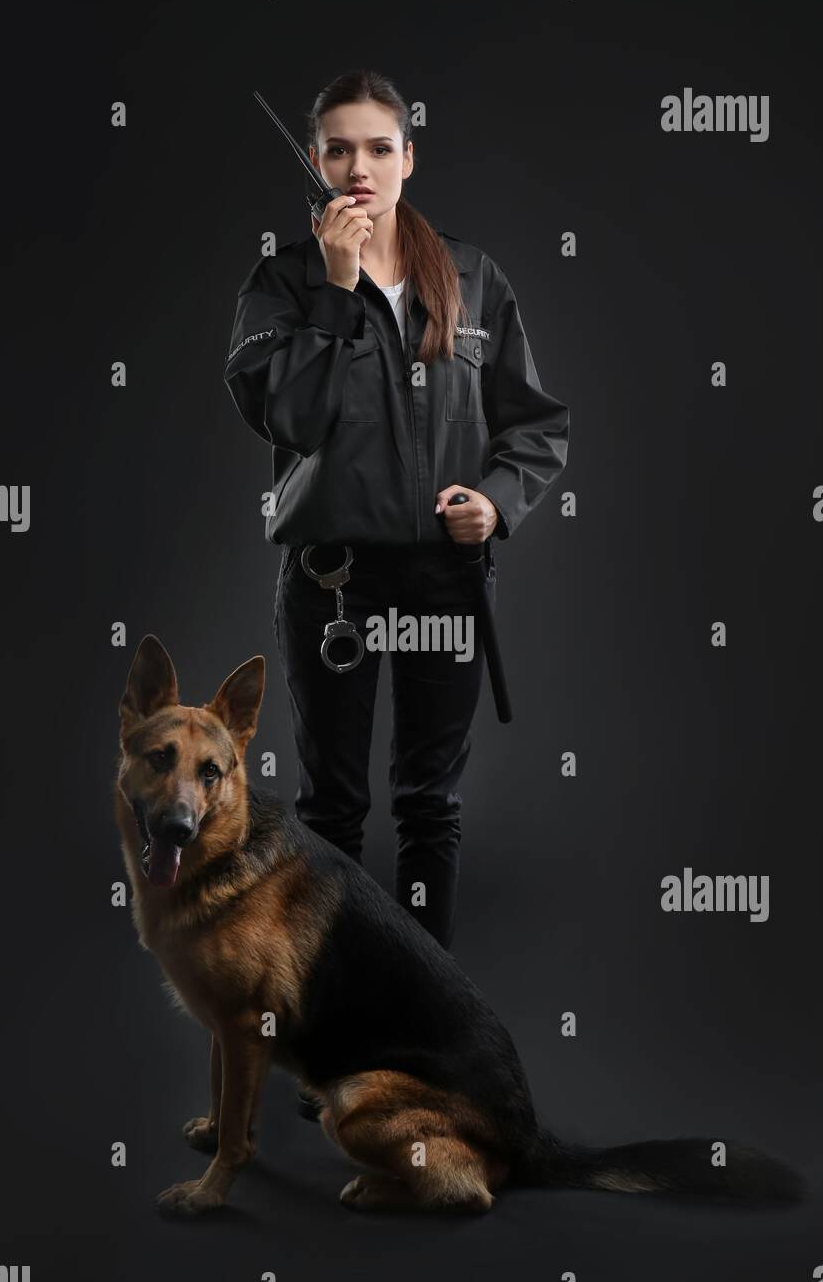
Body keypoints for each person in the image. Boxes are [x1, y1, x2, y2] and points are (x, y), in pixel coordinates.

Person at [225, 68, 569, 958]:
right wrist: (337, 292)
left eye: (379, 148)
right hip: (332, 585)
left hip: (443, 584)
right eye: (338, 149)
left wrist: (493, 507)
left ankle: (427, 1040)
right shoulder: (282, 284)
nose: (359, 168)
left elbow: (535, 426)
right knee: (331, 810)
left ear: (408, 158)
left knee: (430, 806)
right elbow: (294, 419)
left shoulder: (469, 276)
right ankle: (338, 1034)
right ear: (314, 160)